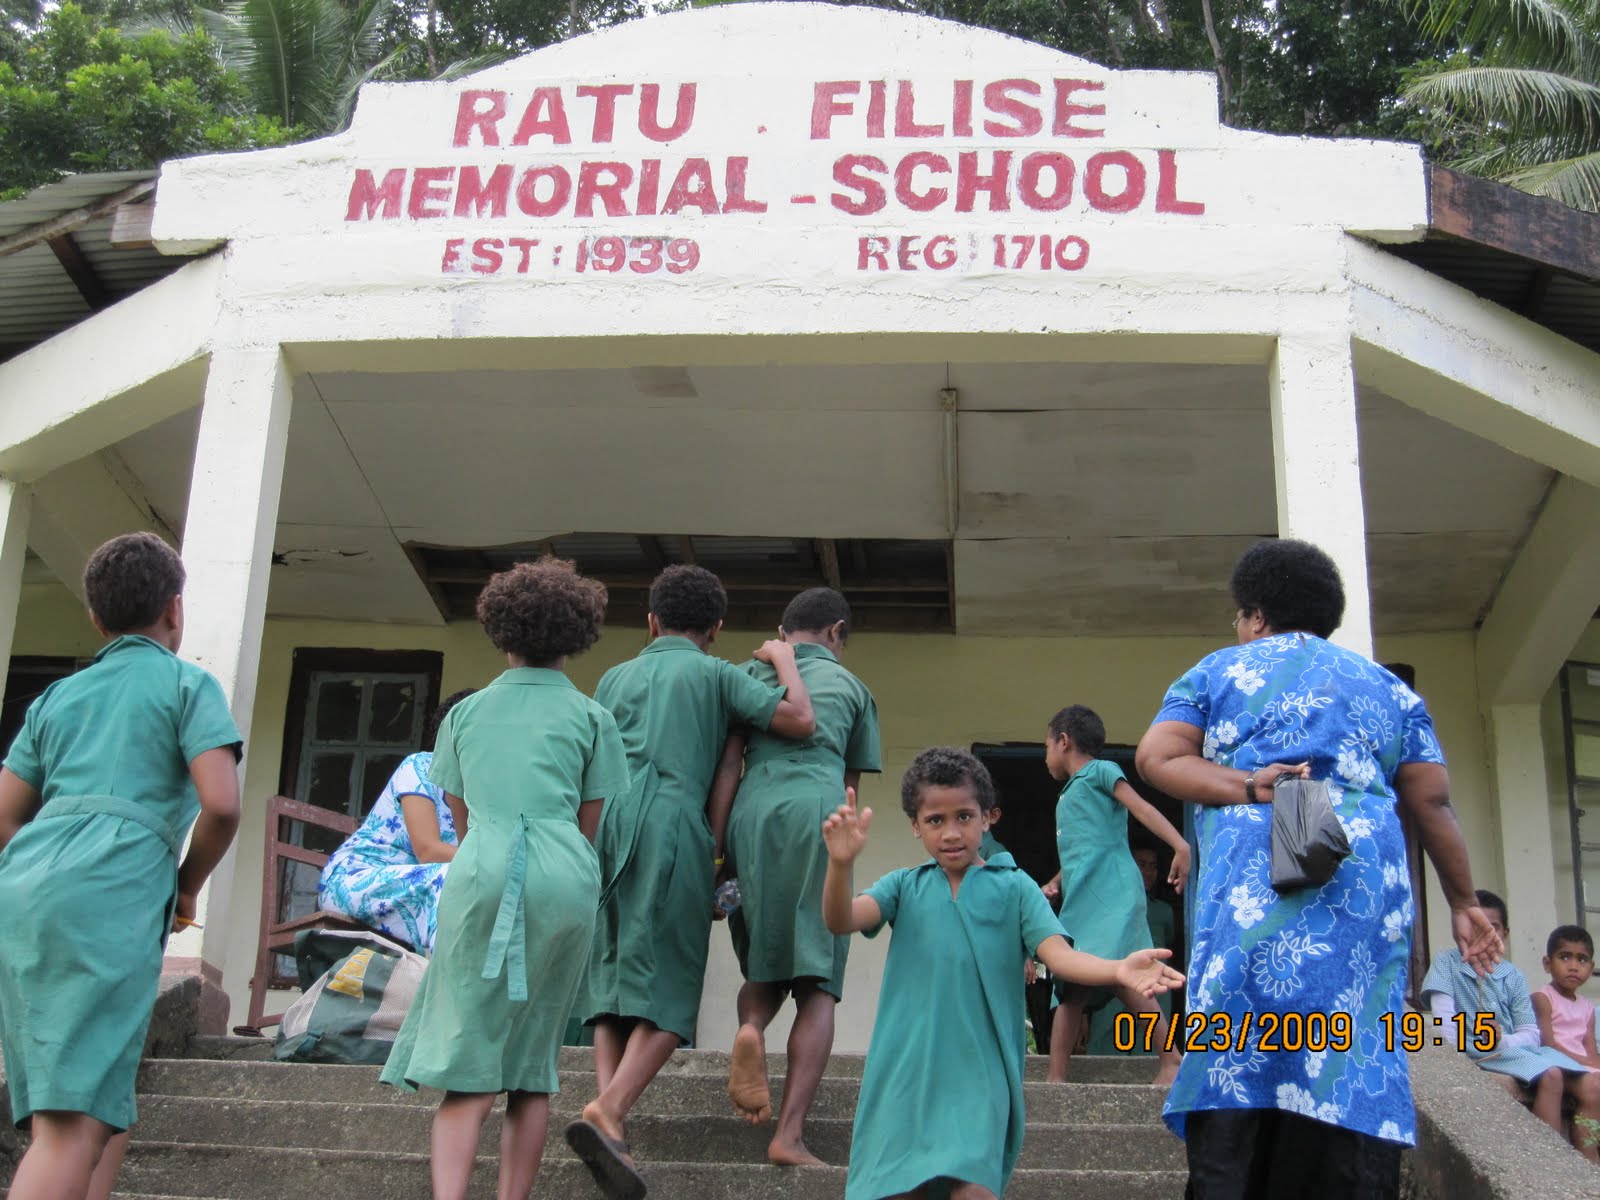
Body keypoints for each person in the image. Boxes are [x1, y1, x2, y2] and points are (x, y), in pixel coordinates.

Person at [1136, 537, 1502, 1200]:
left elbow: (1158, 758)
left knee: (1238, 1038)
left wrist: (1251, 787)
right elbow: (1432, 799)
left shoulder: (1219, 672)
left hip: (1253, 893)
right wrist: (1463, 900)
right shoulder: (1388, 688)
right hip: (1358, 893)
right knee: (1352, 1037)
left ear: (1253, 615)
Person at [820, 747, 1184, 1200]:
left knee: (975, 1190)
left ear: (988, 818)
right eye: (935, 820)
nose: (951, 832)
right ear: (915, 826)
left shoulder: (1015, 887)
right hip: (906, 1071)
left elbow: (1059, 956)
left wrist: (1118, 968)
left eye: (964, 817)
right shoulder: (903, 886)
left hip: (980, 1074)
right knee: (897, 1189)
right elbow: (840, 919)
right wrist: (839, 865)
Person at [0, 532, 242, 1200]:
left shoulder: (56, 699)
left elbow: (2, 814)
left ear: (97, 620)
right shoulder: (186, 684)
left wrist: (44, 872)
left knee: (102, 1105)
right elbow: (221, 804)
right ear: (176, 609)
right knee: (68, 1126)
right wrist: (187, 884)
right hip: (112, 885)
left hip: (25, 884)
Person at [379, 558, 630, 1200]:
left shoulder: (463, 717)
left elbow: (461, 821)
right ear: (578, 634)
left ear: (501, 629)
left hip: (484, 863)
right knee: (532, 1064)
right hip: (564, 873)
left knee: (471, 1062)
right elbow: (588, 824)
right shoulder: (592, 717)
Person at [568, 565, 816, 1196]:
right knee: (673, 980)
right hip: (673, 819)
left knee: (611, 973)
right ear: (716, 628)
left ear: (651, 621)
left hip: (607, 821)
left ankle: (610, 1122)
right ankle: (610, 1110)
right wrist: (784, 659)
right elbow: (799, 719)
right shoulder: (715, 673)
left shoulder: (613, 676)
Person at [717, 586, 881, 1166]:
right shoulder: (854, 689)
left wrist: (720, 849)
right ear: (836, 631)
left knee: (766, 955)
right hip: (820, 811)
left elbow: (727, 763)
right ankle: (787, 1136)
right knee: (818, 980)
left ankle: (752, 1029)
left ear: (785, 631)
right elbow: (850, 782)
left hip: (750, 814)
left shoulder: (745, 674)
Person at [1041, 704, 1187, 1085]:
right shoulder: (1070, 793)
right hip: (1085, 901)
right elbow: (1085, 850)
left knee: (1117, 980)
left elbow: (1142, 809)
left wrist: (1181, 846)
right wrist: (1056, 882)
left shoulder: (1100, 771)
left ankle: (1172, 1061)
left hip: (1113, 898)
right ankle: (1055, 1081)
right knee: (1072, 985)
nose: (1046, 757)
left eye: (1047, 746)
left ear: (1063, 740)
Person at [1419, 895, 1595, 1158]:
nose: (1483, 935)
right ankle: (1545, 1157)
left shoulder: (1512, 976)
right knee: (1553, 1075)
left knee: (1581, 1080)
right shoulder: (1447, 964)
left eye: (1492, 928)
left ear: (1505, 933)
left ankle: (1579, 1158)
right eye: (1475, 926)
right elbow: (1445, 1026)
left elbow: (1530, 1034)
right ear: (1460, 927)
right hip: (1475, 1050)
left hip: (1510, 1050)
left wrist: (1501, 1040)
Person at [316, 688, 476, 954]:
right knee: (456, 880)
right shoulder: (421, 767)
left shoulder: (477, 793)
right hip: (356, 881)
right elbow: (429, 851)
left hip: (414, 891)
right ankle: (443, 988)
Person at [1085, 842, 1180, 1057]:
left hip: (1153, 984)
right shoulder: (1105, 905)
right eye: (1142, 864)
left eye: (1153, 866)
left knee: (1152, 1046)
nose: (1148, 871)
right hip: (1114, 980)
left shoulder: (1164, 911)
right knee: (1106, 1046)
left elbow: (1170, 939)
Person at [1534, 922, 1600, 1158]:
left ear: (1591, 967)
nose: (1573, 966)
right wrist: (1588, 1065)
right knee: (1594, 1086)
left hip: (1581, 1066)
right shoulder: (1543, 998)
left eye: (1582, 960)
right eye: (1565, 957)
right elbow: (1549, 1044)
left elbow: (1591, 1049)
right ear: (1547, 963)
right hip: (1556, 1063)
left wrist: (1593, 1065)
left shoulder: (1587, 1008)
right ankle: (1587, 1155)